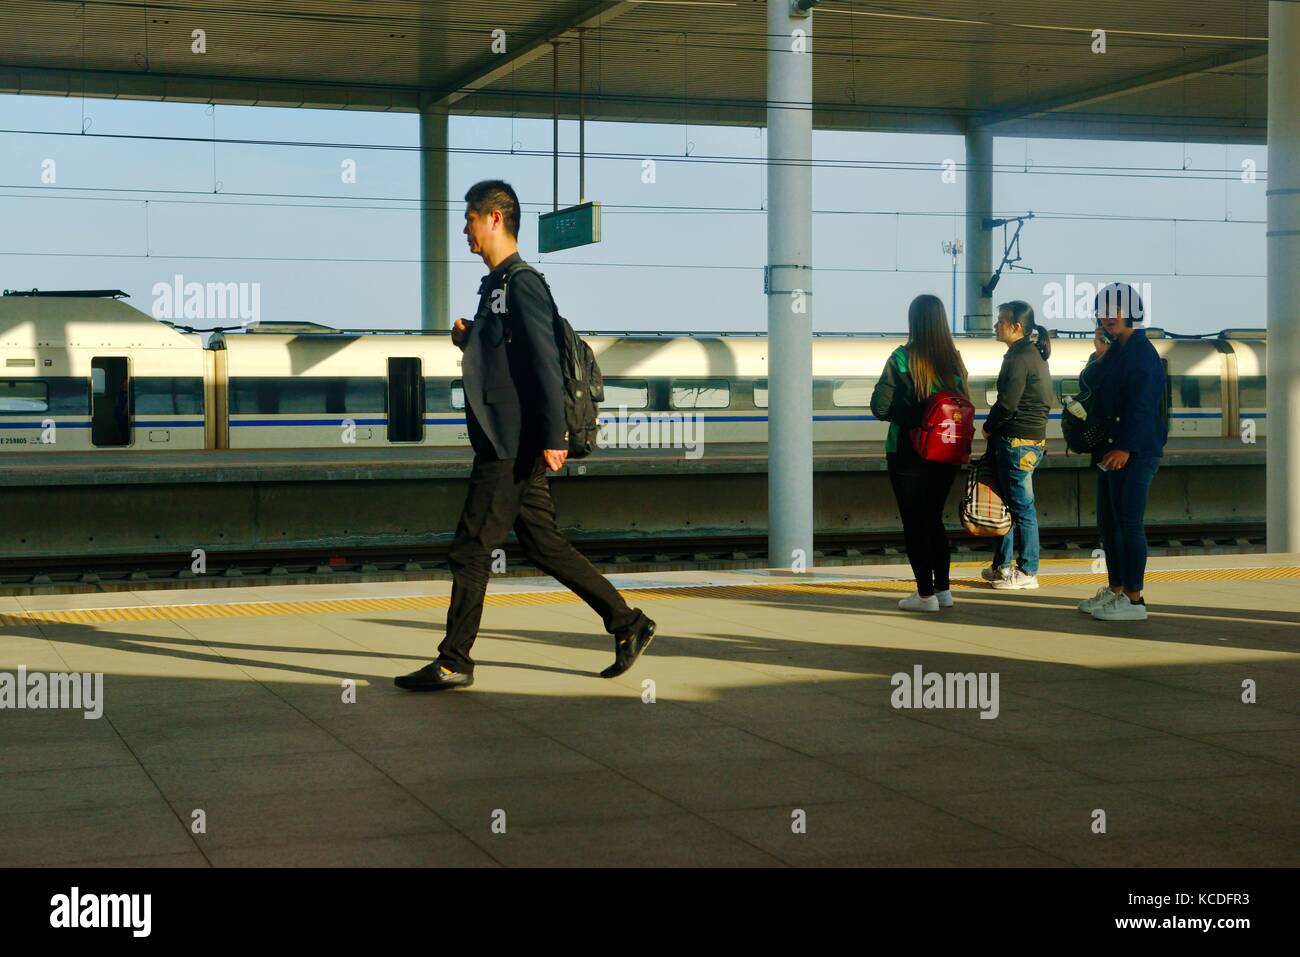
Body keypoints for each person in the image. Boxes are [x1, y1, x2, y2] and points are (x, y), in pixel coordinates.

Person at [395, 180, 656, 691]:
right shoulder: (495, 286)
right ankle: (628, 623)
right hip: (506, 437)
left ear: (494, 218)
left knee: (470, 549)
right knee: (542, 543)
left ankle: (454, 662)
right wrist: (471, 339)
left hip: (512, 443)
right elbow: (511, 358)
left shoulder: (523, 283)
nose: (463, 229)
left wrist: (555, 434)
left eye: (468, 217)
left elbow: (542, 361)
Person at [871, 294, 971, 612]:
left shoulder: (902, 358)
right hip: (947, 452)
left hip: (908, 453)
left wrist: (912, 418)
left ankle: (924, 596)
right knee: (934, 520)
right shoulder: (954, 359)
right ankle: (943, 591)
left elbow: (880, 406)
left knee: (915, 523)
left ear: (913, 321)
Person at [1077, 283, 1167, 622]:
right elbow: (1091, 385)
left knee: (1129, 524)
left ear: (1132, 311)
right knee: (1109, 523)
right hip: (1111, 450)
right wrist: (1100, 353)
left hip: (1136, 451)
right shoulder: (1116, 352)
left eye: (1116, 309)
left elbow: (1142, 405)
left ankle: (1134, 598)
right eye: (1103, 310)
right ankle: (1115, 591)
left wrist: (1126, 447)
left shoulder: (1143, 354)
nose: (1108, 316)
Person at [981, 300, 1054, 590]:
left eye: (1001, 320)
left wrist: (987, 427)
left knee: (1022, 508)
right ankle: (1002, 567)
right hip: (1027, 439)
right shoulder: (1031, 353)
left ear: (1016, 327)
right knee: (1008, 506)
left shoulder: (1019, 357)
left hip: (1017, 441)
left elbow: (1008, 403)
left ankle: (1027, 571)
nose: (996, 325)